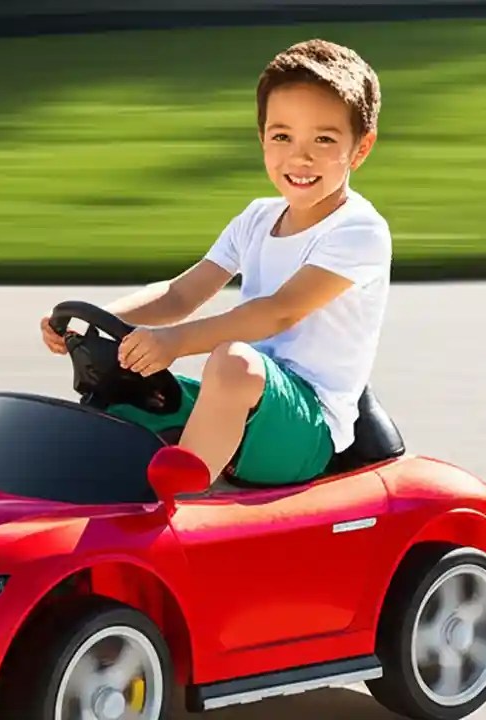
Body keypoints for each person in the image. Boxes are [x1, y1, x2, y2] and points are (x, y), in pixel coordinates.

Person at [40, 38, 392, 487]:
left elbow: (277, 312)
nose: (299, 156)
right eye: (282, 136)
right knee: (121, 388)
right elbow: (180, 293)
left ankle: (177, 503)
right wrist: (94, 320)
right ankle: (53, 489)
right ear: (262, 138)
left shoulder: (358, 231)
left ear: (360, 149)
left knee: (232, 362)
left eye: (323, 140)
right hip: (247, 400)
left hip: (309, 427)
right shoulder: (257, 218)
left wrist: (174, 342)